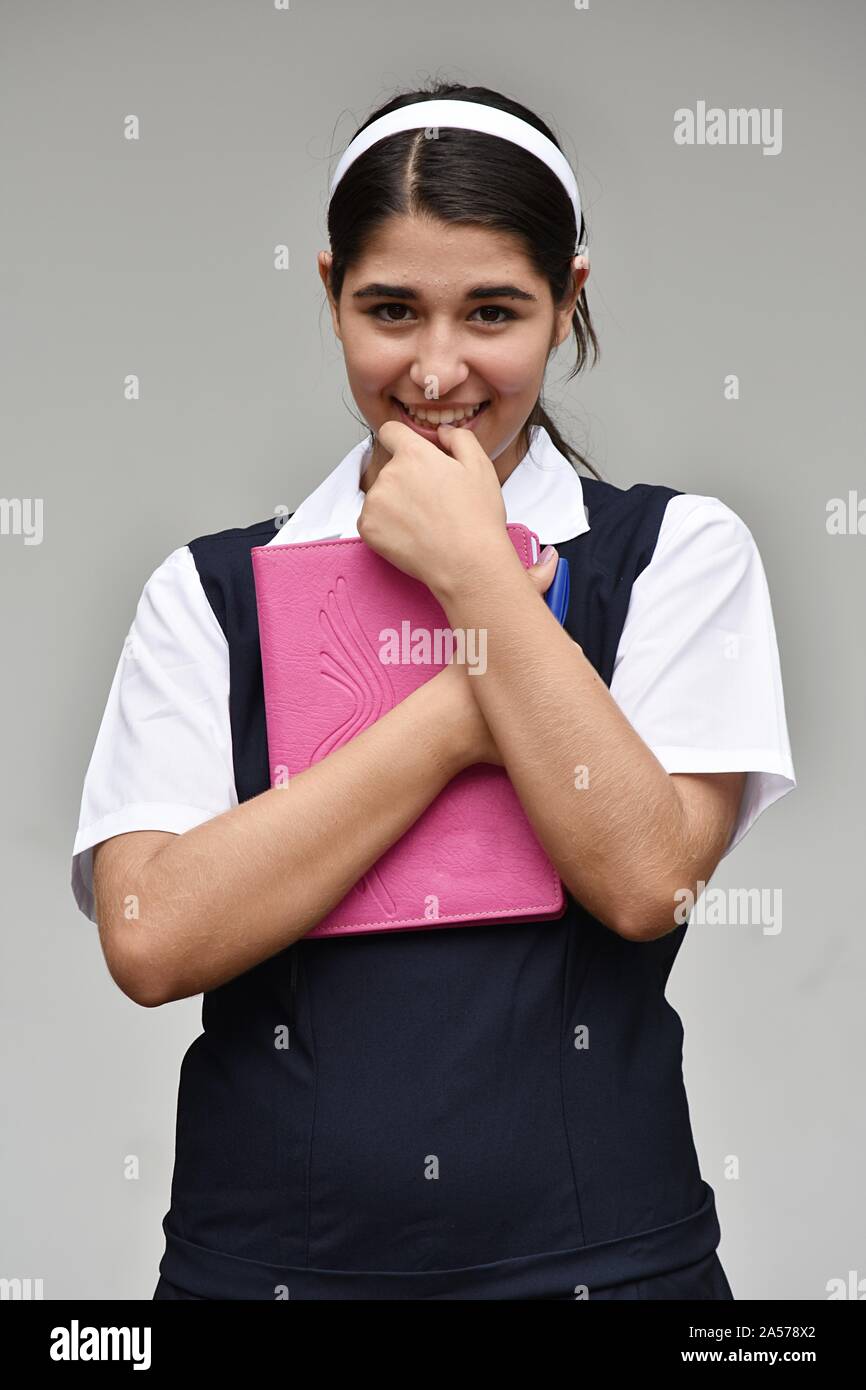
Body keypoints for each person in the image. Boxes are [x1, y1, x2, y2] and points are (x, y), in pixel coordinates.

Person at [70, 81, 796, 1300]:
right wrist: (459, 715)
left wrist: (475, 575)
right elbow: (150, 938)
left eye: (495, 311)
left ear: (569, 299)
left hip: (608, 1268)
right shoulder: (209, 592)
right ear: (328, 294)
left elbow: (642, 879)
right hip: (265, 1270)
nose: (437, 367)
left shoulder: (677, 553)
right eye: (390, 310)